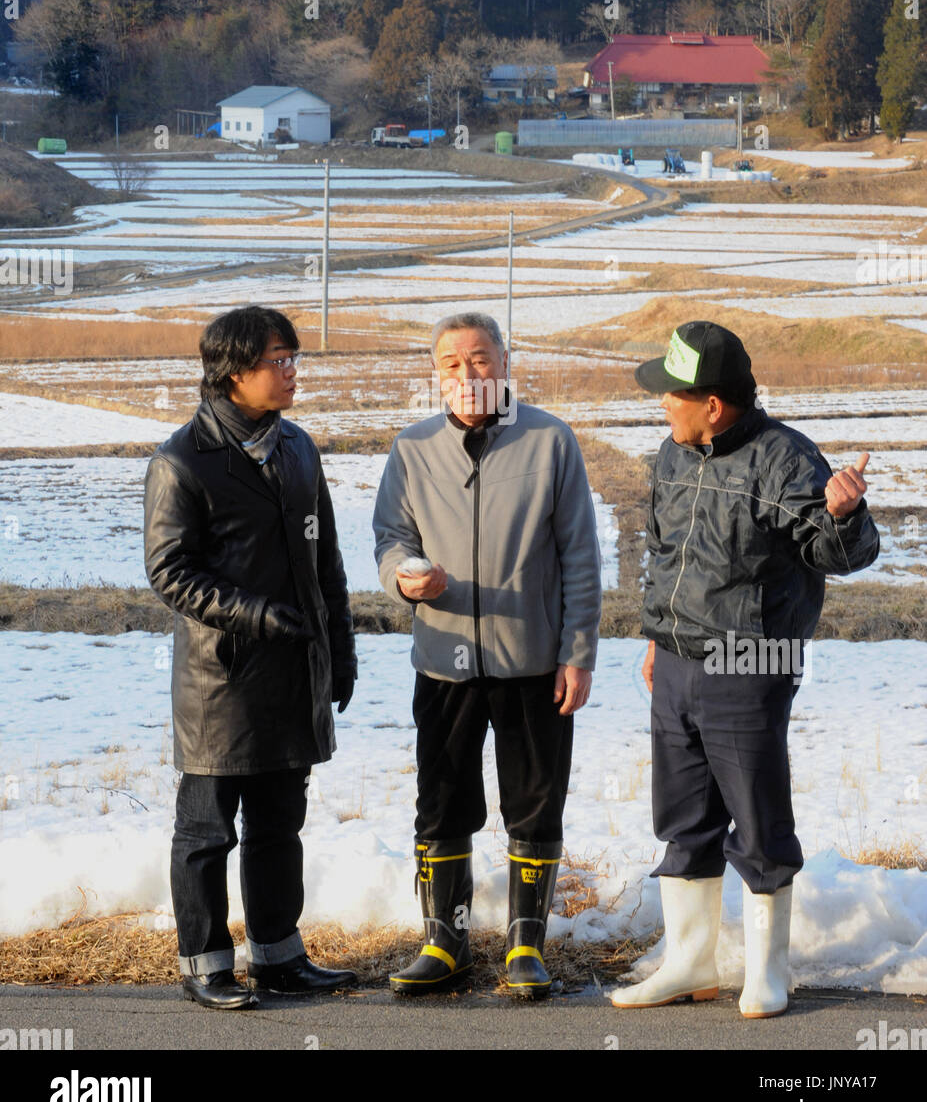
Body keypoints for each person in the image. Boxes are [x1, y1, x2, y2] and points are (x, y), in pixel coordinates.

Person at [611, 320, 879, 1018]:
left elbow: (839, 556)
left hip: (746, 661)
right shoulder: (671, 454)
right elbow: (664, 552)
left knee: (757, 822)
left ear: (713, 404)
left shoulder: (785, 460)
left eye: (672, 394)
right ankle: (690, 964)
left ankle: (766, 973)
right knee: (682, 821)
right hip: (673, 662)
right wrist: (654, 638)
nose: (660, 405)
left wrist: (843, 516)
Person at [373, 311, 602, 999]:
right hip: (444, 659)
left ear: (505, 362)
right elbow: (390, 539)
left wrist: (578, 652)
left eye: (478, 358)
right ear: (434, 374)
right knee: (442, 801)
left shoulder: (550, 441)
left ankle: (524, 947)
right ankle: (445, 942)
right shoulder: (411, 450)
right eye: (450, 362)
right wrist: (405, 576)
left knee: (534, 802)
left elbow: (581, 558)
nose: (465, 373)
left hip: (533, 660)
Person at [143, 305, 358, 1010]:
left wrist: (341, 649)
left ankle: (278, 955)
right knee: (206, 829)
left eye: (294, 358)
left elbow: (324, 557)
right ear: (234, 372)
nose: (292, 371)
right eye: (279, 360)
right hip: (221, 679)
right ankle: (204, 963)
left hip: (294, 669)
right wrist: (256, 613)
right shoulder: (182, 460)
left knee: (278, 824)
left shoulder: (296, 446)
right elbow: (170, 572)